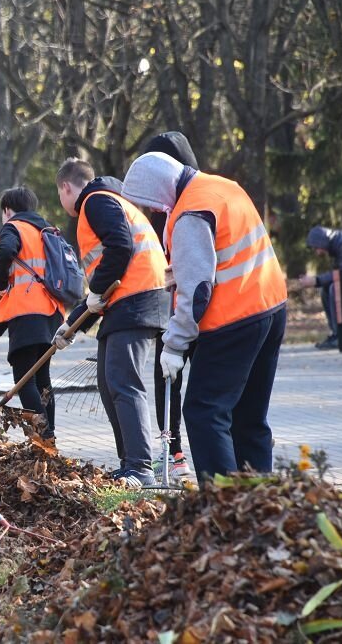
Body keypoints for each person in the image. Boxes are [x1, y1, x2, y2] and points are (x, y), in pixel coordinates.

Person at [122, 152, 287, 481]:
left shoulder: (190, 213)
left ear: (160, 188)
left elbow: (198, 290)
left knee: (204, 411)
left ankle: (222, 508)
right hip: (270, 308)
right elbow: (224, 255)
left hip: (232, 321)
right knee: (249, 417)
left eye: (151, 201)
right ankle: (260, 505)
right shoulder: (222, 188)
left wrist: (174, 344)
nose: (154, 210)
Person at [54, 159, 169, 488]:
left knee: (123, 381)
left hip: (138, 297)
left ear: (66, 187)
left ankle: (140, 467)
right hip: (129, 299)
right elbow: (106, 278)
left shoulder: (95, 201)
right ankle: (128, 463)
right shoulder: (112, 200)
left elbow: (120, 247)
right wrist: (73, 324)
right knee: (109, 381)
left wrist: (99, 291)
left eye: (59, 194)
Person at [0, 187, 64, 439]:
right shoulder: (47, 230)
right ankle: (50, 435)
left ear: (7, 210)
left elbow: (6, 256)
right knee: (42, 379)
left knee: (25, 379)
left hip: (28, 314)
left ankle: (43, 438)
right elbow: (20, 289)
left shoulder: (13, 227)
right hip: (52, 313)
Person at [141, 131, 199, 477]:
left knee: (200, 395)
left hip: (203, 313)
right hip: (174, 310)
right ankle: (172, 453)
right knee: (166, 382)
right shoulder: (164, 210)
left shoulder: (191, 204)